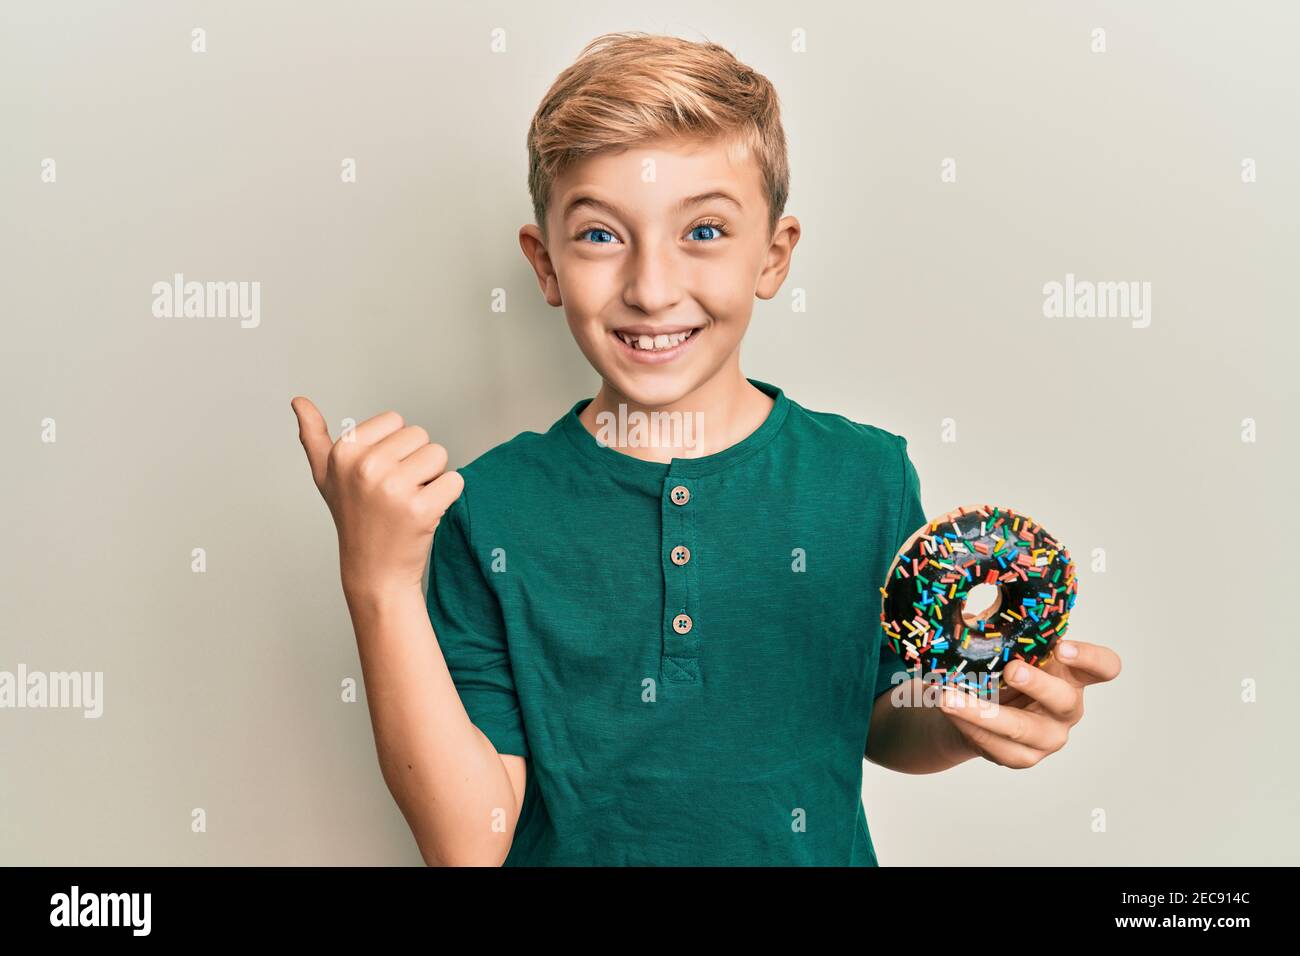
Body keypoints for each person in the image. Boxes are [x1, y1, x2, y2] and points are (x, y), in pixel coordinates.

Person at [290, 31, 1121, 866]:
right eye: (602, 236)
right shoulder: (488, 506)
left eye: (706, 231)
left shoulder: (866, 477)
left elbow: (877, 718)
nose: (652, 289)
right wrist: (379, 580)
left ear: (775, 254)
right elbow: (470, 845)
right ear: (545, 266)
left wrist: (971, 717)